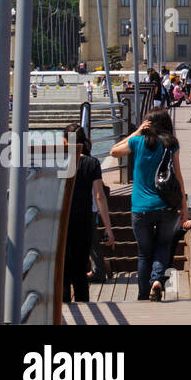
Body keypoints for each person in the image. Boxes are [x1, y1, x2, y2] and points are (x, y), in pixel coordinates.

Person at [109, 109, 189, 301]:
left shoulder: (137, 142)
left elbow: (114, 151)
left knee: (144, 253)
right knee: (163, 245)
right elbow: (178, 176)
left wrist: (136, 132)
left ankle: (144, 294)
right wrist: (184, 206)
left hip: (140, 207)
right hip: (165, 205)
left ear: (148, 125)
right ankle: (157, 281)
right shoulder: (171, 144)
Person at [62, 124, 115, 303]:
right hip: (84, 220)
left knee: (63, 268)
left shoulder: (59, 162)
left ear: (64, 141)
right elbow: (99, 196)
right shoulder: (92, 163)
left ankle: (63, 304)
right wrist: (108, 228)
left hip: (62, 221)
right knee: (80, 268)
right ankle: (83, 303)